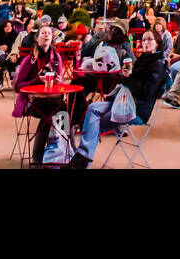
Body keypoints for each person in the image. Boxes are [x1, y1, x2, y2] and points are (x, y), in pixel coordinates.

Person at [68, 28, 169, 168]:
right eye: (144, 39)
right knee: (92, 109)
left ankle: (81, 159)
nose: (146, 42)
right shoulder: (143, 60)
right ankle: (82, 158)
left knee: (93, 123)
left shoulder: (157, 65)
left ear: (158, 43)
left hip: (136, 109)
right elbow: (132, 83)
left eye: (149, 39)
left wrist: (126, 79)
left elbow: (145, 93)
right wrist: (124, 77)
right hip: (124, 101)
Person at [11, 24, 64, 163]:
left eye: (48, 33)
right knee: (53, 113)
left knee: (63, 110)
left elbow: (60, 84)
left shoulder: (57, 58)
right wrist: (35, 80)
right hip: (32, 102)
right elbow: (17, 86)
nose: (46, 34)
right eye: (43, 33)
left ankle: (61, 152)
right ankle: (39, 157)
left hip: (53, 99)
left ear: (52, 38)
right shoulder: (30, 59)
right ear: (37, 38)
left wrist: (59, 82)